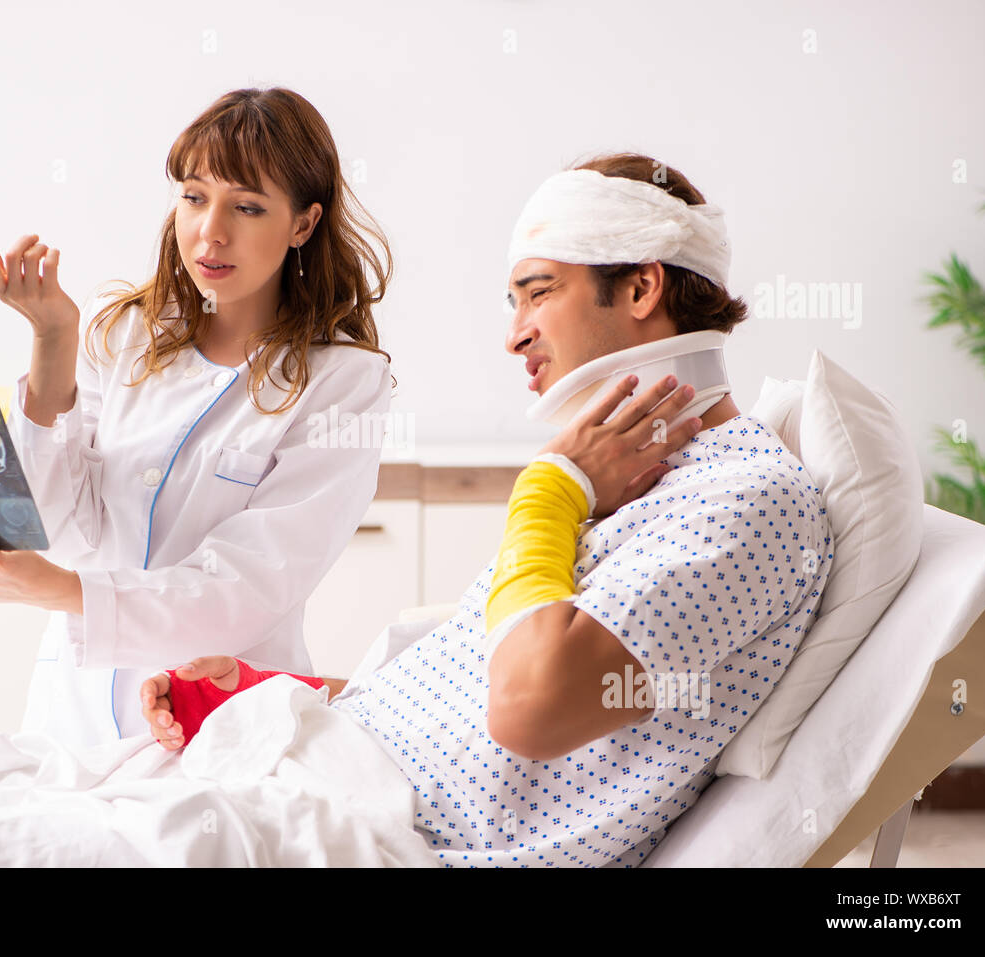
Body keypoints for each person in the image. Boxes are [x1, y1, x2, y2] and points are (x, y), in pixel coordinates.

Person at [140, 152, 836, 867]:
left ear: (640, 286)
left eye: (538, 293)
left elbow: (529, 705)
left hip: (368, 835)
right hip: (322, 780)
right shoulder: (618, 482)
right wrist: (275, 696)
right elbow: (475, 696)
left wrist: (548, 488)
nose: (515, 334)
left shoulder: (750, 497)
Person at [0, 87, 396, 750]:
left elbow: (246, 589)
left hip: (220, 729)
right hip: (71, 721)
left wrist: (68, 594)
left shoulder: (341, 383)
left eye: (247, 206)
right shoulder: (122, 333)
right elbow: (57, 526)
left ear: (303, 223)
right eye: (194, 195)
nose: (211, 229)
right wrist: (53, 341)